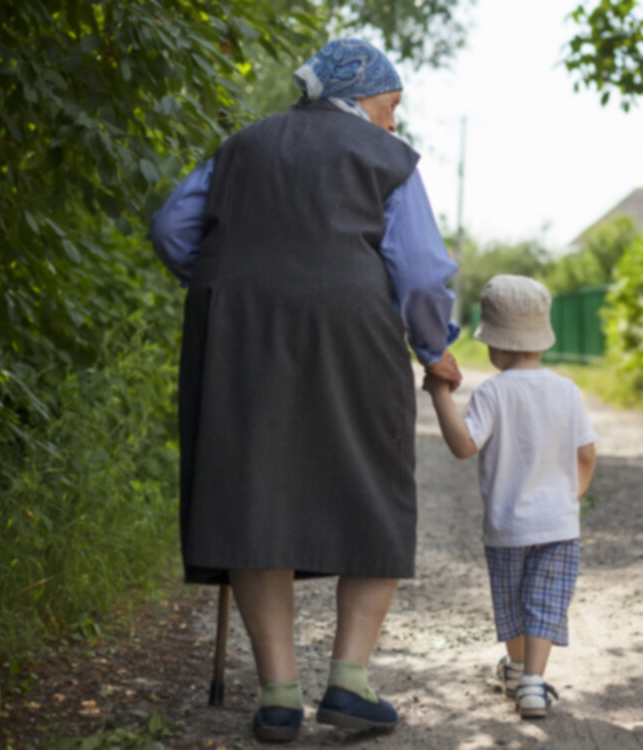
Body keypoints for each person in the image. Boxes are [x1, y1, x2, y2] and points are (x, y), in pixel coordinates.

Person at [148, 39, 463, 743]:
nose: (392, 121)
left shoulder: (242, 145)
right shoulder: (390, 159)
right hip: (353, 329)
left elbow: (171, 228)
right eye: (391, 106)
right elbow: (417, 273)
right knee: (372, 485)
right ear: (362, 95)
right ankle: (348, 684)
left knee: (251, 488)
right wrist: (434, 346)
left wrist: (236, 279)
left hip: (240, 332)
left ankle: (279, 698)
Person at [422, 275, 598, 719]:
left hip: (506, 527)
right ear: (541, 339)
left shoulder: (492, 392)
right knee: (544, 603)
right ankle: (533, 683)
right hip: (558, 524)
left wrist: (440, 393)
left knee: (513, 604)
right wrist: (568, 498)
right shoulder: (566, 390)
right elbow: (587, 455)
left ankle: (518, 670)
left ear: (495, 346)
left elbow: (464, 446)